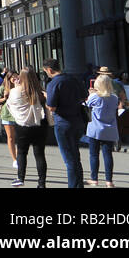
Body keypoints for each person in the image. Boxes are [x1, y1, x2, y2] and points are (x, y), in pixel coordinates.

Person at [42, 58, 86, 188]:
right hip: (78, 120)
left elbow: (51, 107)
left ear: (49, 70)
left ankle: (73, 185)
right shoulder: (73, 79)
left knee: (69, 159)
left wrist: (46, 97)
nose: (46, 74)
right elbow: (84, 96)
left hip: (63, 122)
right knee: (75, 156)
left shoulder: (53, 84)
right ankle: (78, 185)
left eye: (46, 71)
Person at [8, 66, 48, 188]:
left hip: (23, 125)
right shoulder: (40, 92)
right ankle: (41, 183)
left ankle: (20, 178)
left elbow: (10, 105)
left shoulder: (16, 91)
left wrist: (16, 87)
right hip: (39, 124)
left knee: (21, 152)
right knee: (40, 154)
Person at [85, 75, 120, 187]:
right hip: (109, 129)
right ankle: (109, 181)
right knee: (108, 154)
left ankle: (94, 178)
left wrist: (90, 94)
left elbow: (86, 105)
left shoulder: (95, 96)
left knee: (94, 154)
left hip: (95, 128)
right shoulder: (114, 98)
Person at [0, 71, 18, 170]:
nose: (14, 78)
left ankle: (19, 157)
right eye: (12, 77)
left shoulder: (20, 86)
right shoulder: (3, 87)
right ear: (8, 78)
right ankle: (15, 159)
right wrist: (4, 97)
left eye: (16, 76)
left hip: (19, 115)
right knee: (11, 138)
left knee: (20, 138)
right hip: (7, 114)